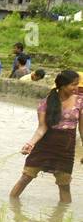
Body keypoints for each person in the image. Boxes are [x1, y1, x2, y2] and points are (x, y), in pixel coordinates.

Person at [11, 69, 81, 204]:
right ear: (62, 85)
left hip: (66, 149)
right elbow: (42, 128)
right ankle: (12, 205)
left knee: (64, 185)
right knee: (26, 178)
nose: (76, 88)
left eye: (77, 84)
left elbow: (82, 131)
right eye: (73, 84)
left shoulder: (80, 102)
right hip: (44, 146)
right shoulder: (46, 103)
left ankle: (61, 219)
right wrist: (30, 144)